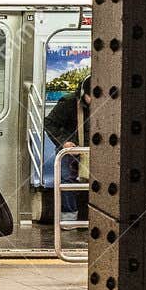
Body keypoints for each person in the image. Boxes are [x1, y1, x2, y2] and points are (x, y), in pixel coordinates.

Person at [44, 76, 91, 221]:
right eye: (91, 96)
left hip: (91, 150)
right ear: (84, 93)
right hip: (70, 151)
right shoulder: (68, 102)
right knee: (66, 181)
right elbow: (49, 123)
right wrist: (64, 142)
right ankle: (68, 218)